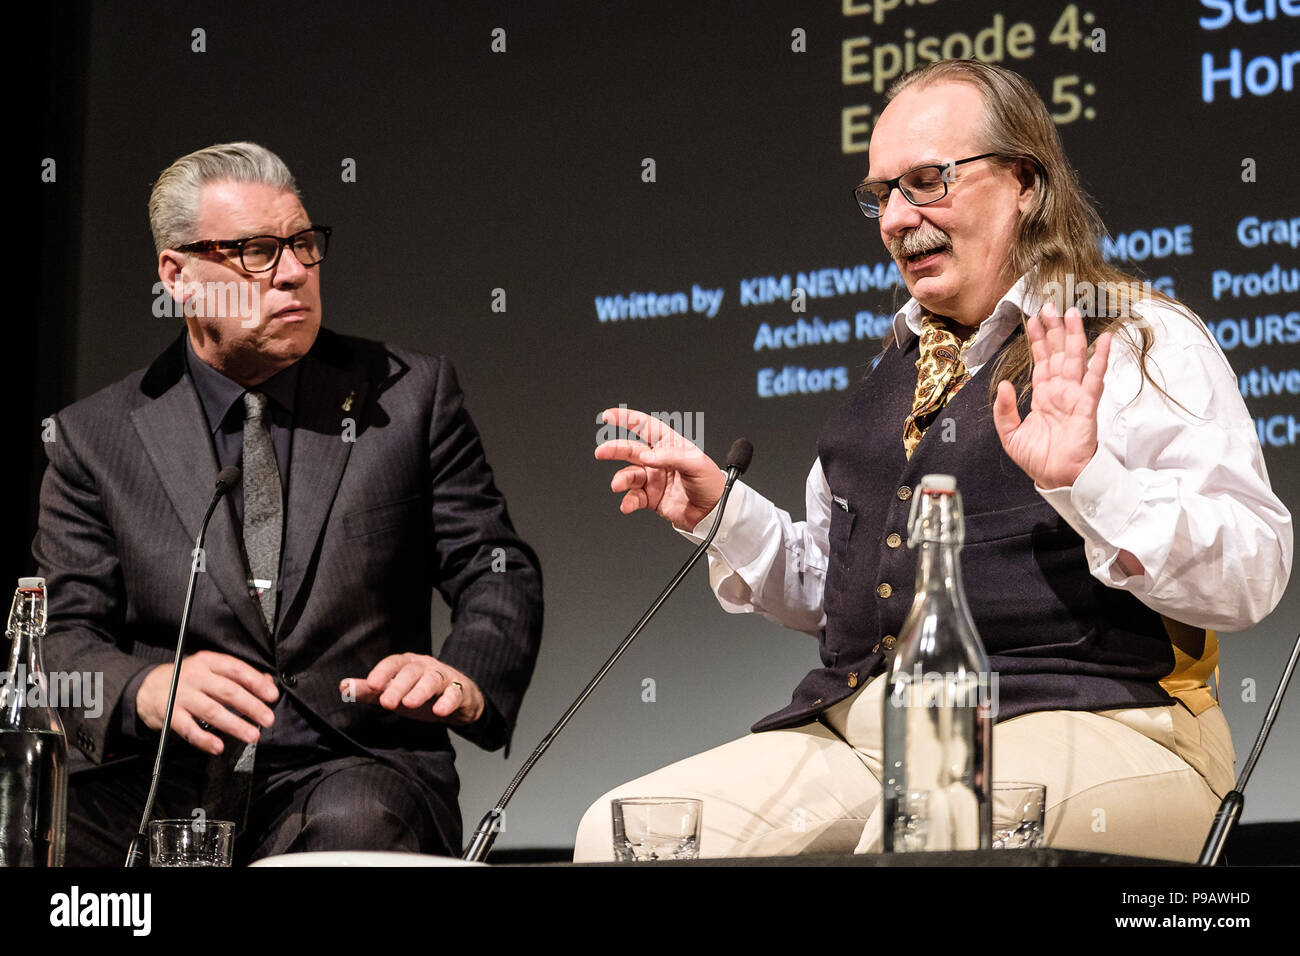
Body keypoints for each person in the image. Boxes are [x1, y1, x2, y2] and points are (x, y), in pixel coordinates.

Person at [575, 60, 1292, 863]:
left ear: (1024, 181)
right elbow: (841, 596)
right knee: (619, 834)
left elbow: (1253, 574)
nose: (895, 218)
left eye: (927, 181)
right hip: (867, 734)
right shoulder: (895, 372)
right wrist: (722, 513)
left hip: (1108, 724)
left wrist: (1085, 483)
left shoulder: (1137, 343)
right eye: (882, 193)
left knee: (928, 828)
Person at [34, 142, 543, 865]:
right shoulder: (94, 439)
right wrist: (147, 688)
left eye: (304, 244)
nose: (296, 272)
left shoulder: (407, 397)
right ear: (178, 277)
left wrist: (460, 673)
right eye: (257, 253)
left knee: (357, 828)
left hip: (350, 764)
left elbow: (496, 568)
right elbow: (61, 638)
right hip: (160, 777)